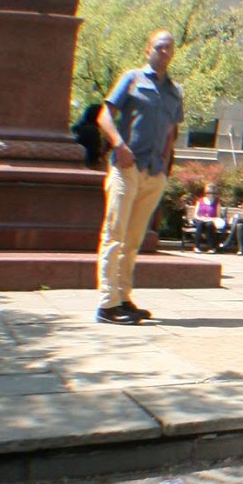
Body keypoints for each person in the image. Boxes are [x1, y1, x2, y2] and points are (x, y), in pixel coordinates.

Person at [94, 29, 183, 324]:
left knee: (133, 240)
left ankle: (124, 298)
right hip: (127, 168)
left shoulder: (174, 91)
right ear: (148, 50)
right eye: (160, 47)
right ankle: (107, 304)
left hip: (154, 173)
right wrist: (119, 145)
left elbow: (172, 130)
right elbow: (104, 115)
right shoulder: (132, 79)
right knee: (115, 235)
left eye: (169, 48)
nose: (165, 52)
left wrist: (165, 163)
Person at [192, 181, 224, 251]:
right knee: (200, 223)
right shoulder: (200, 201)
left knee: (209, 225)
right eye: (208, 193)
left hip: (210, 220)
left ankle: (212, 247)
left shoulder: (217, 203)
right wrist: (201, 218)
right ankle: (196, 246)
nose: (209, 195)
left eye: (211, 193)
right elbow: (195, 215)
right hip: (200, 219)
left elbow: (218, 217)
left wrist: (211, 219)